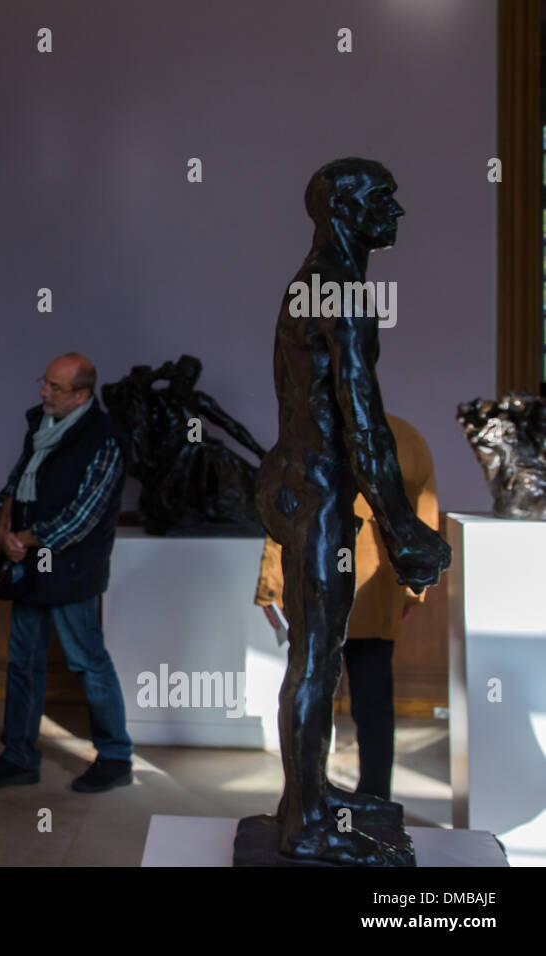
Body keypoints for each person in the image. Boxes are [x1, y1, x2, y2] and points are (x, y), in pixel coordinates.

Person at [254, 157, 449, 865]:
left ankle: (304, 799)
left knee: (318, 656)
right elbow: (362, 422)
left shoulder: (314, 282)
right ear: (343, 207)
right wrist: (405, 530)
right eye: (383, 200)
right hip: (323, 486)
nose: (396, 213)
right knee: (314, 659)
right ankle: (304, 826)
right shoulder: (339, 288)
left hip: (301, 480)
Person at [0, 353, 134, 793]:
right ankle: (19, 756)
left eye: (54, 387)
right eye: (43, 382)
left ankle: (116, 758)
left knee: (87, 661)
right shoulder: (41, 425)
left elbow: (83, 516)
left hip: (70, 569)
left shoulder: (106, 438)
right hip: (28, 563)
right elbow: (18, 480)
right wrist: (4, 526)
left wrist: (22, 538)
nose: (43, 392)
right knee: (23, 662)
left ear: (82, 394)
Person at [255, 413, 437, 801]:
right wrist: (414, 588)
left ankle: (308, 796)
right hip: (368, 585)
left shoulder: (307, 431)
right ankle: (371, 796)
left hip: (321, 581)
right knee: (367, 699)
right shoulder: (402, 435)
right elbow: (422, 516)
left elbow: (282, 512)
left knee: (310, 692)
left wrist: (271, 586)